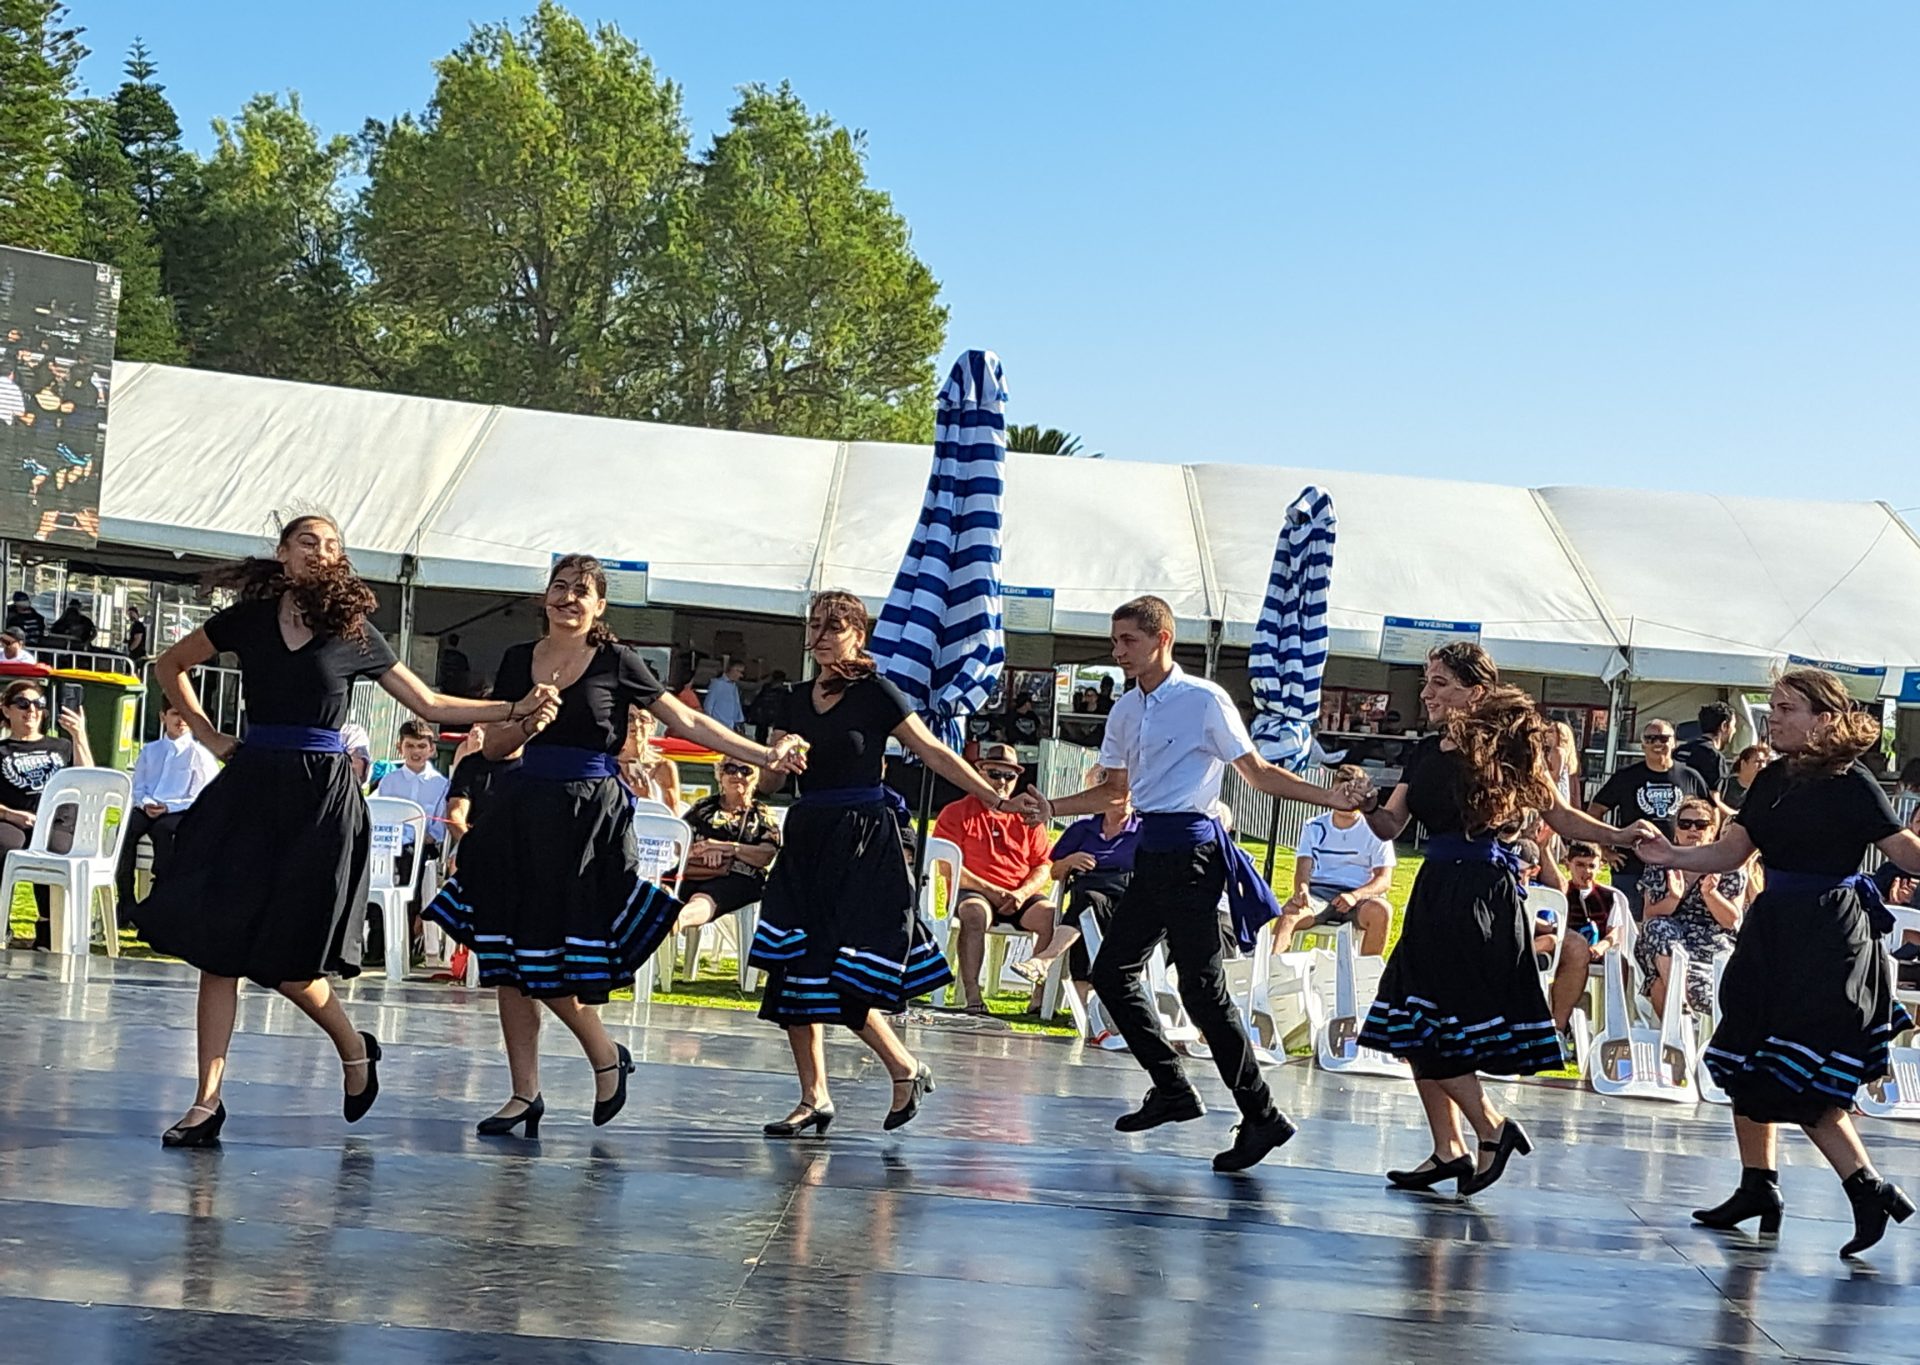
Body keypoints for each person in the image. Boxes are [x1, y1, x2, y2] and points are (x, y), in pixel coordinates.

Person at [130, 513, 558, 1149]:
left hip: (321, 800)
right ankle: (206, 1101)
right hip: (251, 786)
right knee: (218, 950)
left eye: (332, 545)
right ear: (283, 553)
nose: (321, 552)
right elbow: (170, 665)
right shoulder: (248, 619)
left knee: (290, 963)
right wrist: (211, 733)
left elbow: (430, 705)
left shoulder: (353, 631)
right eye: (308, 542)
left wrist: (514, 708)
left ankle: (354, 1047)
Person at [425, 555, 795, 1139]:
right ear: (545, 599)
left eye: (581, 591)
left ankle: (603, 1053)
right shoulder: (521, 658)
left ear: (600, 606)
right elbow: (491, 748)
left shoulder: (616, 660)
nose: (568, 598)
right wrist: (526, 723)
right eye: (559, 588)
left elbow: (686, 723)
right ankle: (524, 1092)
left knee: (552, 958)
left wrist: (759, 755)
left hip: (587, 820)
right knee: (508, 958)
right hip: (522, 811)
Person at [1031, 595, 1361, 1173]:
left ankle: (1260, 1115)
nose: (1118, 652)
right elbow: (1115, 793)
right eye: (1114, 642)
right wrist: (1049, 807)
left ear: (1163, 639)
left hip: (1193, 852)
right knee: (1111, 971)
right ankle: (1174, 1088)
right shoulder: (1127, 710)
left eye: (1128, 641)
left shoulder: (1204, 700)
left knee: (1201, 988)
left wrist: (1328, 795)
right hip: (1151, 850)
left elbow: (1256, 772)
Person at [1349, 642, 1655, 1195]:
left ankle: (1491, 1126)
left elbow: (1557, 814)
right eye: (1427, 681)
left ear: (1477, 691)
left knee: (1435, 1025)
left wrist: (1616, 835)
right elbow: (1390, 827)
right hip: (1434, 890)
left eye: (1441, 682)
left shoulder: (1513, 749)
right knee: (1415, 1022)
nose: (1428, 693)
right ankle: (1449, 1149)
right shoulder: (1423, 752)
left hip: (1481, 895)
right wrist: (1367, 801)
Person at [1640, 667, 1920, 1258]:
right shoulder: (1770, 777)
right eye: (1774, 705)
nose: (1774, 715)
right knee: (1745, 1051)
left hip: (1828, 935)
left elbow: (1906, 853)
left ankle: (1865, 1187)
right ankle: (1758, 1186)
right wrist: (1674, 853)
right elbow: (1735, 848)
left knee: (1800, 1068)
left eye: (1787, 708)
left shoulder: (1853, 783)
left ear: (1823, 719)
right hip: (1773, 928)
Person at [745, 589, 1037, 1139]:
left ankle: (903, 1066)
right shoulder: (791, 697)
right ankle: (814, 1096)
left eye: (834, 626)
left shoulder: (877, 692)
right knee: (791, 969)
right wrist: (774, 761)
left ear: (858, 634)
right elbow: (773, 779)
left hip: (862, 839)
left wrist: (996, 798)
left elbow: (934, 752)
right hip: (808, 834)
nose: (821, 636)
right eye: (814, 626)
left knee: (848, 969)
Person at [933, 740, 1075, 1007]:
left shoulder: (1028, 816)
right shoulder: (956, 812)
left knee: (1052, 918)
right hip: (974, 891)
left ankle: (1039, 1000)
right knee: (975, 914)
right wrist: (992, 891)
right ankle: (972, 995)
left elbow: (1044, 865)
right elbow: (946, 865)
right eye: (995, 774)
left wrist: (1021, 893)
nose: (1002, 781)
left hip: (1019, 894)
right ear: (979, 772)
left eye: (1009, 776)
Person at [1586, 718, 1711, 921]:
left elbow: (1709, 816)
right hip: (1631, 867)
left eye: (1663, 738)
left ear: (1674, 742)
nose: (1657, 743)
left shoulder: (1691, 777)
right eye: (1651, 738)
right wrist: (1604, 850)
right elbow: (1595, 811)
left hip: (1678, 867)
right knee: (1628, 926)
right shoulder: (1626, 777)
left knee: (1671, 925)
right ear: (1643, 744)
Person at [1046, 765, 1139, 1034]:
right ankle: (1086, 1009)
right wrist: (1070, 861)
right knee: (1086, 905)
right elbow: (1054, 873)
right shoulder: (1082, 830)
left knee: (1086, 907)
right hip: (1086, 894)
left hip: (1124, 902)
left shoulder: (1142, 830)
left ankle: (1047, 958)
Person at [0, 679, 91, 948]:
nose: (32, 710)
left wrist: (79, 735)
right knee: (3, 845)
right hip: (14, 818)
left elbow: (89, 778)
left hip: (57, 821)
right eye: (22, 704)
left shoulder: (61, 747)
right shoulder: (2, 751)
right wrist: (10, 814)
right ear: (6, 710)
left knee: (56, 849)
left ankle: (50, 929)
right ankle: (2, 923)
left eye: (38, 704)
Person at [1269, 764, 1395, 956]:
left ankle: (1366, 977)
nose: (1346, 800)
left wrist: (1355, 895)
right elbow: (1303, 867)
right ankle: (1271, 973)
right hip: (1319, 894)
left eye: (1353, 795)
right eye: (1341, 793)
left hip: (1359, 897)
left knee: (1381, 911)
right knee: (1289, 915)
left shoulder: (1376, 829)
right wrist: (1301, 890)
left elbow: (1383, 880)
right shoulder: (1314, 826)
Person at [1635, 797, 1744, 1016]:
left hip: (1712, 943)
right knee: (1657, 927)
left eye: (1701, 824)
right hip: (1668, 942)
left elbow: (1732, 921)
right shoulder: (1660, 864)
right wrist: (1674, 898)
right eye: (1685, 824)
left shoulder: (1729, 865)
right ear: (1676, 830)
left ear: (1712, 831)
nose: (1692, 829)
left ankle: (1679, 1036)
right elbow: (1648, 916)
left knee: (1658, 984)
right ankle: (1680, 999)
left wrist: (1710, 894)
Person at [115, 700, 219, 909]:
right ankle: (125, 900)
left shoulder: (198, 754)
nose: (180, 721)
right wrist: (145, 803)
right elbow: (138, 786)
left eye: (184, 716)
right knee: (125, 831)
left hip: (179, 810)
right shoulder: (150, 750)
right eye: (174, 714)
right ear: (163, 717)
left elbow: (203, 794)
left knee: (165, 833)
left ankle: (158, 898)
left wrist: (169, 807)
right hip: (148, 806)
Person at [672, 757, 782, 934]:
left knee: (704, 898)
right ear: (720, 774)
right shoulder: (703, 807)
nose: (737, 775)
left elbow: (767, 854)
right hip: (696, 870)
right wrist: (705, 850)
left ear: (755, 778)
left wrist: (728, 849)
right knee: (661, 890)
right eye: (731, 769)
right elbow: (679, 844)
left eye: (745, 770)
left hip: (740, 876)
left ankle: (677, 921)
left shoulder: (761, 813)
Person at [373, 719, 451, 960]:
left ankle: (403, 945)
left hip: (421, 849)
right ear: (400, 748)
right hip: (387, 846)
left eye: (420, 746)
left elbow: (438, 829)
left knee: (409, 869)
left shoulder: (441, 785)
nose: (415, 752)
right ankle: (376, 944)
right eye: (410, 746)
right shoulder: (389, 781)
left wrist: (418, 839)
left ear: (431, 749)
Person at [1542, 841, 1629, 1032]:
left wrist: (1602, 947)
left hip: (1597, 948)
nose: (1586, 871)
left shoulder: (1608, 896)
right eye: (1580, 865)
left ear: (1600, 866)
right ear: (1568, 865)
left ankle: (1613, 1022)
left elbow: (1614, 931)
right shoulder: (1562, 893)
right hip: (1568, 951)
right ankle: (1561, 1022)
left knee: (1620, 962)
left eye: (1591, 866)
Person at [1675, 702, 1736, 799]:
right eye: (1733, 726)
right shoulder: (1715, 757)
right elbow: (1714, 800)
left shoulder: (1680, 751)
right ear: (1724, 726)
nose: (1734, 730)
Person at [1723, 743, 1771, 811]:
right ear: (1743, 763)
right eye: (1757, 761)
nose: (1762, 766)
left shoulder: (1765, 790)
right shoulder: (1726, 785)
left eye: (1764, 762)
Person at [704, 660, 749, 731]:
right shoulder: (717, 684)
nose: (741, 676)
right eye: (740, 672)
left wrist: (740, 721)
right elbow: (708, 705)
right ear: (734, 670)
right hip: (718, 725)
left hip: (730, 726)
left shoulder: (734, 686)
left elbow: (736, 704)